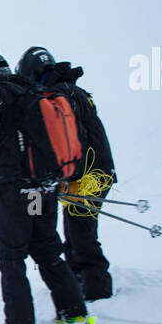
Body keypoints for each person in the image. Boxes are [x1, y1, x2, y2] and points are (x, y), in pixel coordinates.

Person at [0, 53, 88, 324]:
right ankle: (73, 311)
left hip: (17, 192)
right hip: (44, 190)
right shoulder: (33, 92)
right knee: (47, 249)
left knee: (11, 257)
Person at [17, 46, 117, 301]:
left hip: (88, 175)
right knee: (74, 231)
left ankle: (97, 290)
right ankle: (79, 283)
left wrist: (70, 175)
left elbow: (75, 141)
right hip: (92, 171)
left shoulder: (60, 95)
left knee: (82, 234)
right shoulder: (70, 91)